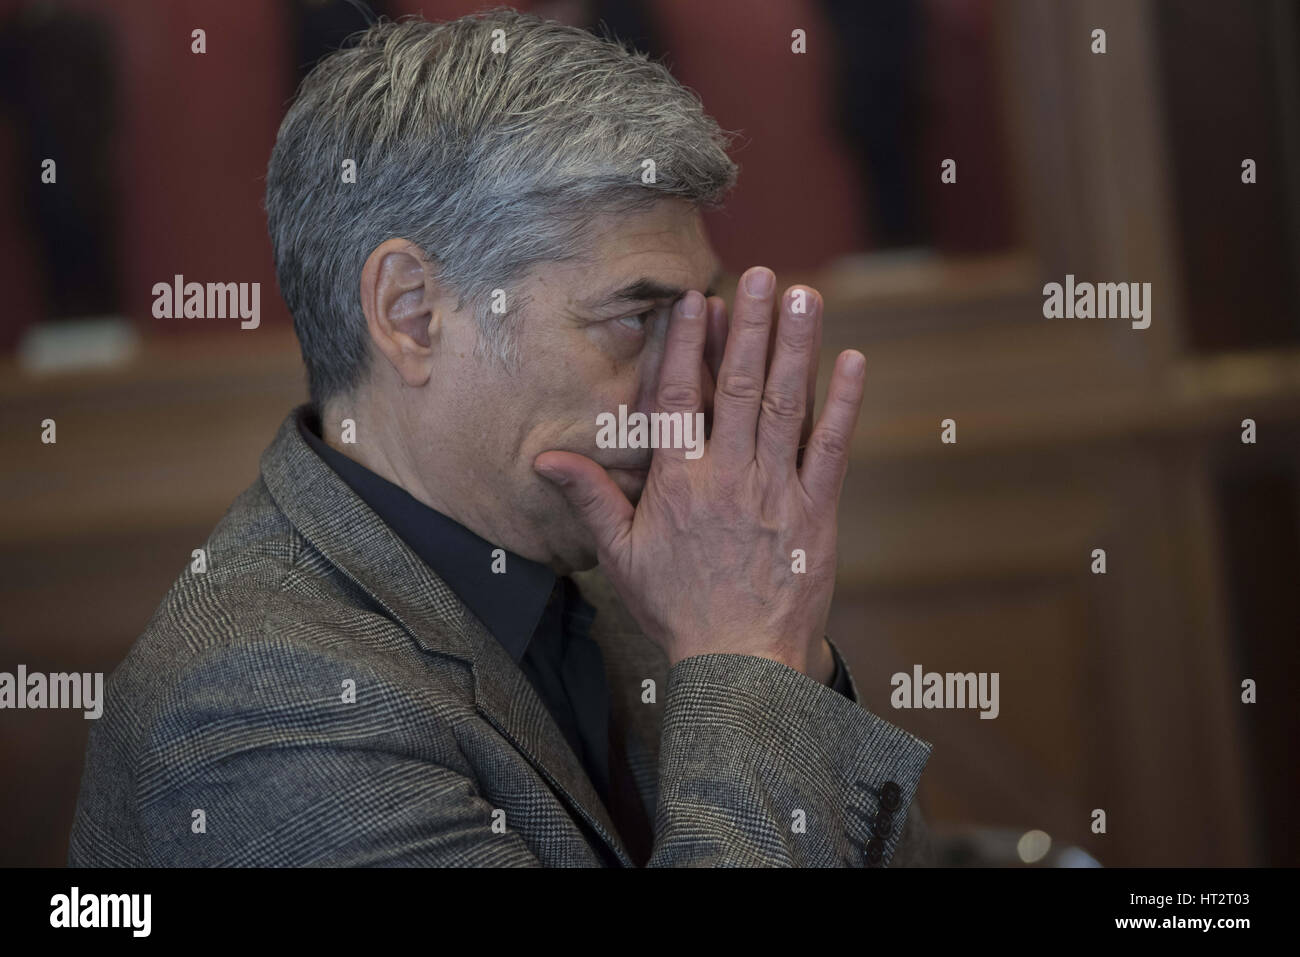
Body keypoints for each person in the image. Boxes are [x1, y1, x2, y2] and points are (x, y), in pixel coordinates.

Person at [69, 9, 931, 867]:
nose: (689, 394)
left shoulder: (634, 570)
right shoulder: (262, 699)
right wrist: (747, 652)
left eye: (693, 321)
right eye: (636, 318)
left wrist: (783, 651)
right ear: (413, 314)